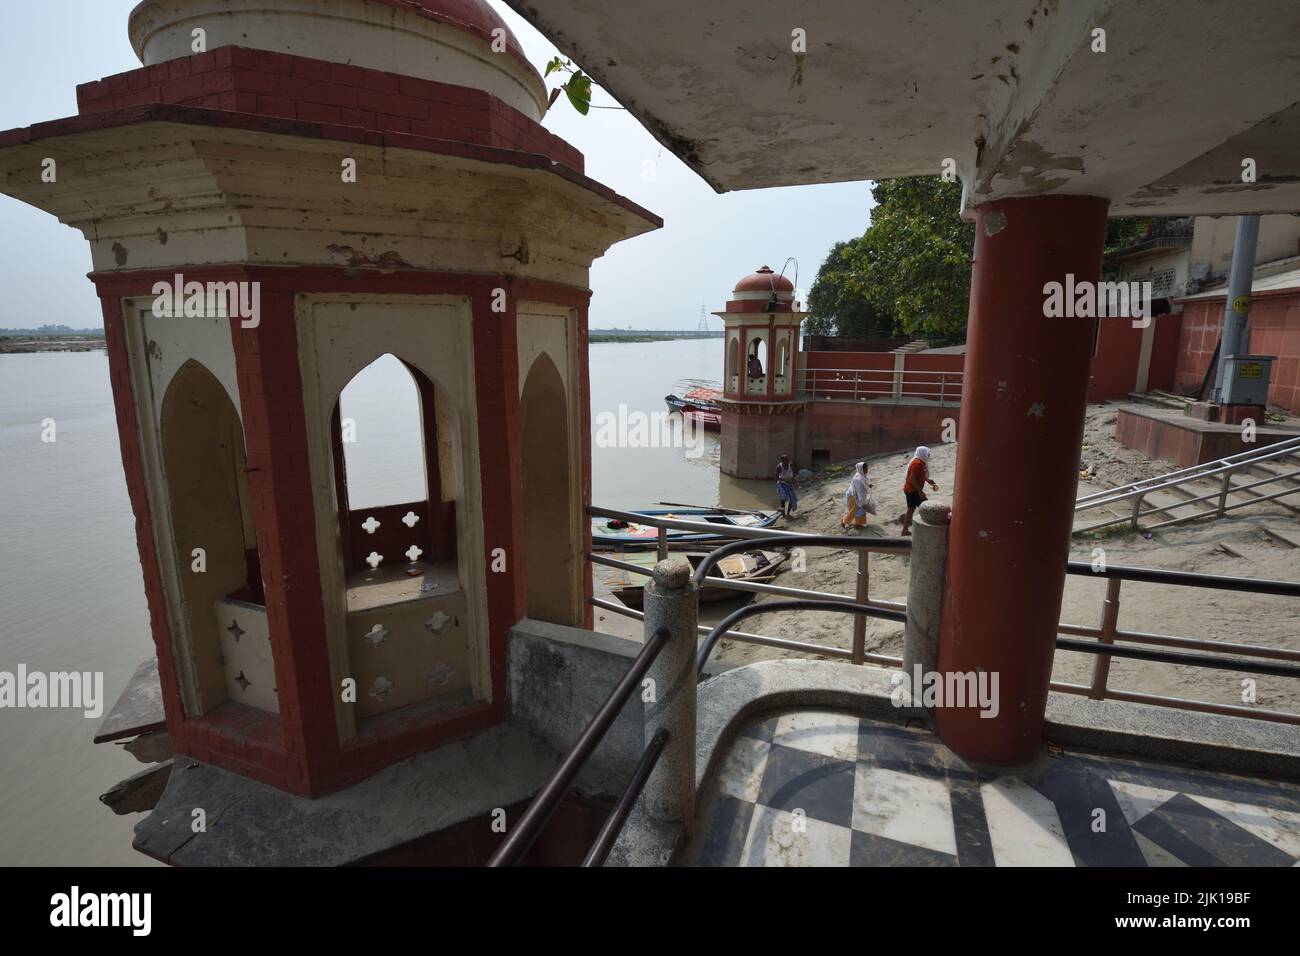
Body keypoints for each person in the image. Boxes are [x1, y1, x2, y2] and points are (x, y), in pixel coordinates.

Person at [901, 445, 939, 536]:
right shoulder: (917, 463)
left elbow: (919, 475)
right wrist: (920, 492)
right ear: (923, 453)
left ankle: (904, 531)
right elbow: (912, 479)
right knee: (927, 508)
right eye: (928, 453)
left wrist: (929, 481)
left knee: (911, 509)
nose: (929, 455)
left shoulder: (920, 462)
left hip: (910, 489)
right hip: (912, 490)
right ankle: (929, 530)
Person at [840, 461, 874, 530]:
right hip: (853, 496)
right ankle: (844, 521)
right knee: (854, 510)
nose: (867, 470)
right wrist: (862, 501)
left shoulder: (862, 475)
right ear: (861, 469)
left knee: (861, 509)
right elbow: (859, 491)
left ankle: (858, 524)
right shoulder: (858, 479)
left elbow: (864, 483)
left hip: (858, 495)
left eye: (867, 468)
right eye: (865, 469)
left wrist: (868, 485)